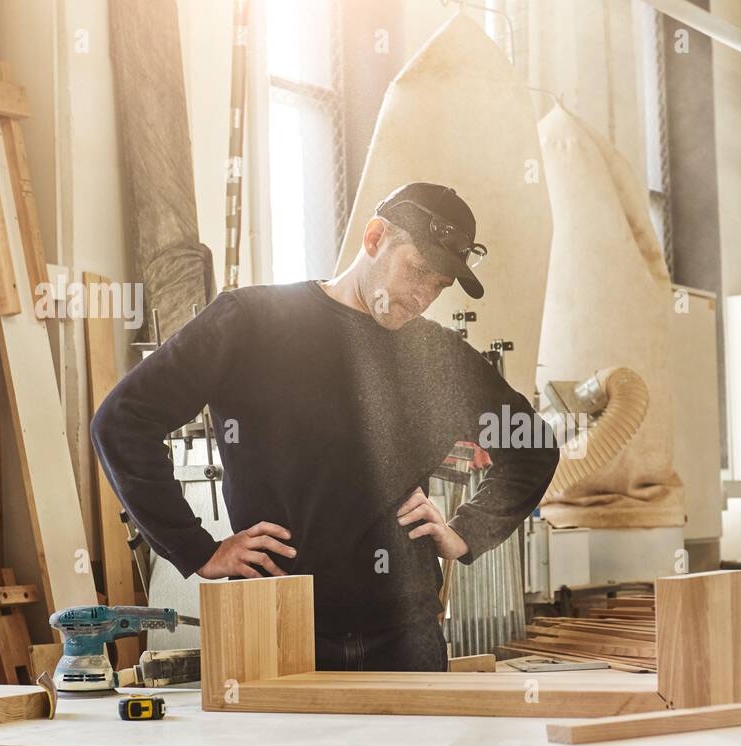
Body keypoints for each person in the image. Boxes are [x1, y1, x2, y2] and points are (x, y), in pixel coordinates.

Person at [92, 182, 559, 672]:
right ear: (375, 238)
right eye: (417, 271)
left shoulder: (439, 357)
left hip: (404, 636)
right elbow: (123, 422)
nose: (423, 295)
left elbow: (532, 447)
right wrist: (196, 549)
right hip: (274, 625)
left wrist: (466, 532)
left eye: (438, 285)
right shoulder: (251, 322)